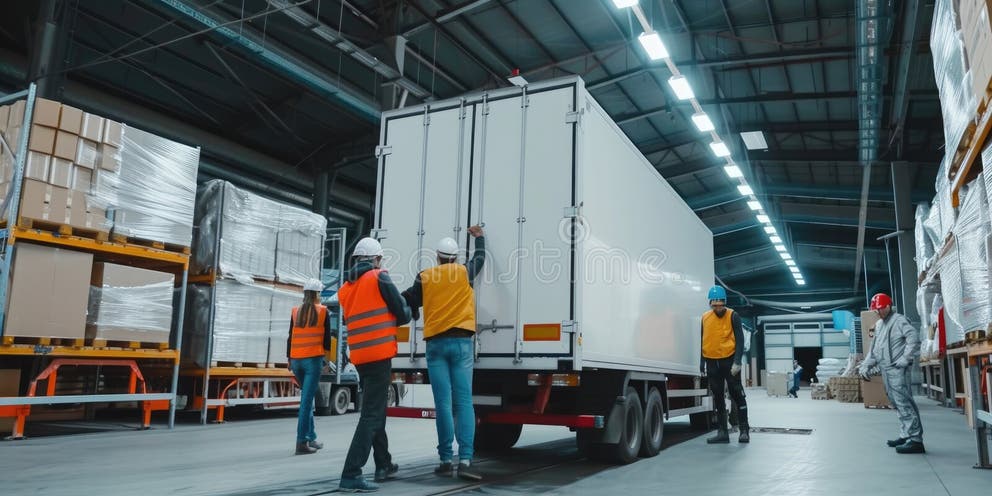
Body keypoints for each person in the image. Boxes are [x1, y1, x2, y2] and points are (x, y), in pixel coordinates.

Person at [402, 226, 486, 481]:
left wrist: (415, 312)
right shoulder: (463, 272)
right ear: (455, 258)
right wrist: (480, 238)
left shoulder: (425, 276)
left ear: (437, 257)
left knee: (443, 404)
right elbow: (479, 260)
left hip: (436, 346)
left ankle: (445, 459)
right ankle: (466, 460)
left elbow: (407, 299)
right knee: (464, 402)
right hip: (461, 344)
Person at [336, 237, 412, 492]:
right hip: (379, 355)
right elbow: (401, 313)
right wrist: (411, 309)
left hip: (360, 358)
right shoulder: (379, 277)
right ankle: (351, 473)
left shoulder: (346, 288)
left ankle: (384, 463)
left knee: (375, 410)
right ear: (376, 259)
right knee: (370, 415)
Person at [858, 293, 924, 454]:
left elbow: (913, 339)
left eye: (880, 309)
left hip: (898, 369)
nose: (878, 312)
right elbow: (874, 349)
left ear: (889, 306)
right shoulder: (880, 325)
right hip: (886, 369)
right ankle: (905, 434)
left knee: (903, 402)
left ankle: (916, 440)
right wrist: (865, 366)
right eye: (876, 310)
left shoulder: (899, 320)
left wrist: (905, 358)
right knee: (895, 403)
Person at [287, 279, 333, 455]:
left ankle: (311, 436)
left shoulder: (295, 311)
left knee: (308, 400)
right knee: (306, 403)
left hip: (296, 361)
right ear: (317, 294)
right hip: (312, 361)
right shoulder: (322, 312)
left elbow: (290, 337)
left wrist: (289, 359)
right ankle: (301, 442)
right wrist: (327, 363)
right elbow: (327, 341)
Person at [700, 285, 750, 444]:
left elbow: (740, 340)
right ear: (710, 304)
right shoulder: (705, 318)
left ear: (725, 302)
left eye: (720, 305)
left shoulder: (732, 316)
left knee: (737, 394)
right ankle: (722, 432)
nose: (717, 308)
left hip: (729, 362)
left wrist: (737, 362)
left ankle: (744, 430)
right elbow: (703, 340)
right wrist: (702, 363)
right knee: (718, 397)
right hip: (712, 363)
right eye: (714, 305)